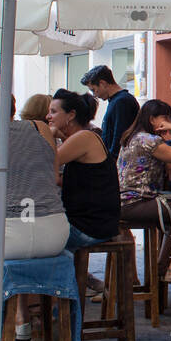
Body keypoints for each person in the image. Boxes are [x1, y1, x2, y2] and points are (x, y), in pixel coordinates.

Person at [0, 84, 71, 338]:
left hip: (8, 238)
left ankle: (1, 306)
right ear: (13, 106)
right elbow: (52, 174)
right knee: (16, 240)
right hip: (55, 233)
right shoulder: (41, 128)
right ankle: (27, 313)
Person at [117, 99, 171, 277]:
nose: (167, 121)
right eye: (165, 117)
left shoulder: (131, 137)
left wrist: (166, 162)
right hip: (136, 202)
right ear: (152, 119)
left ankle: (162, 263)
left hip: (121, 202)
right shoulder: (150, 140)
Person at [48, 89, 120, 252]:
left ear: (71, 115)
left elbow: (46, 163)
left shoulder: (84, 138)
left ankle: (69, 277)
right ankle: (78, 276)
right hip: (94, 224)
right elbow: (65, 181)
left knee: (37, 236)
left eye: (53, 112)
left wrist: (50, 135)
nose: (48, 117)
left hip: (90, 228)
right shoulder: (82, 137)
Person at [82, 64, 140, 159]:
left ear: (102, 83)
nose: (94, 95)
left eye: (94, 90)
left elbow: (120, 135)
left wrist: (111, 161)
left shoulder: (121, 101)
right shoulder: (117, 100)